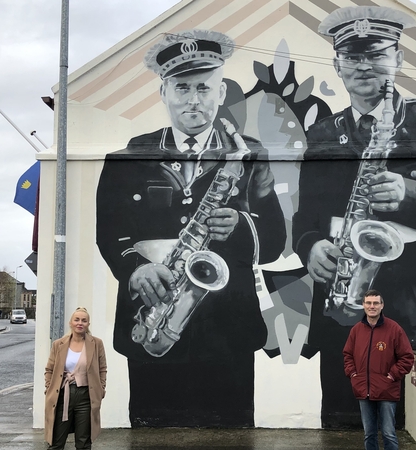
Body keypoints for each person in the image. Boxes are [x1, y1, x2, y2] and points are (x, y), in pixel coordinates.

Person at [292, 6, 416, 426]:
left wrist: (412, 193)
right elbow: (305, 218)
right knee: (347, 430)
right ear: (337, 65)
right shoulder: (324, 134)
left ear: (399, 59)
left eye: (377, 54)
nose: (364, 65)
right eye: (352, 56)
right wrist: (311, 247)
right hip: (345, 317)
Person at [95, 29, 286, 427]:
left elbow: (275, 241)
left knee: (230, 433)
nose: (193, 100)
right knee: (153, 431)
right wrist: (136, 269)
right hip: (151, 317)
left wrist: (241, 225)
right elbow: (109, 233)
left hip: (228, 330)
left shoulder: (249, 155)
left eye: (204, 88)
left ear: (220, 92)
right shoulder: (129, 156)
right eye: (182, 88)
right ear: (163, 92)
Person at [343, 290, 414, 450]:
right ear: (363, 305)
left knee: (389, 433)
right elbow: (347, 354)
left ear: (382, 305)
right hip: (363, 389)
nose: (372, 306)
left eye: (375, 303)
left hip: (387, 390)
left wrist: (391, 376)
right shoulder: (356, 330)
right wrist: (353, 375)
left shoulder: (394, 329)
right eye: (368, 303)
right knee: (369, 434)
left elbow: (407, 357)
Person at [44, 307, 107, 450]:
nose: (80, 323)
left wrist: (101, 389)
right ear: (70, 323)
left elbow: (102, 368)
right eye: (77, 320)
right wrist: (49, 388)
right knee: (56, 441)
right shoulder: (58, 344)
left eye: (84, 320)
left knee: (83, 442)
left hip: (85, 396)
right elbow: (49, 369)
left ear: (88, 324)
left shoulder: (96, 344)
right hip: (61, 396)